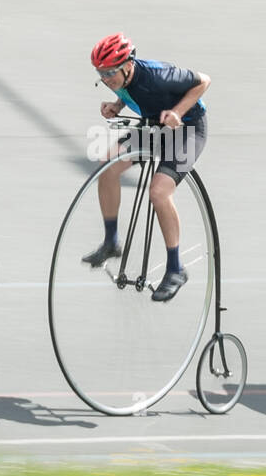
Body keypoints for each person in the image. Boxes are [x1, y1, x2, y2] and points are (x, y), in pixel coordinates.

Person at [83, 33, 211, 302]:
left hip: (187, 128)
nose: (105, 79)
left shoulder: (160, 74)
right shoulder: (118, 77)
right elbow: (132, 93)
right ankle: (111, 242)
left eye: (109, 73)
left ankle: (175, 268)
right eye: (100, 73)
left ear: (128, 65)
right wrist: (117, 105)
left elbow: (203, 81)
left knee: (159, 192)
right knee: (107, 165)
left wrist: (177, 112)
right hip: (154, 126)